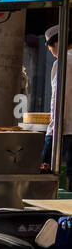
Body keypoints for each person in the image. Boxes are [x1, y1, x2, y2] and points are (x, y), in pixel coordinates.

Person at [43, 26, 72, 171]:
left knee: (46, 171)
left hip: (65, 129)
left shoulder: (63, 61)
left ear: (58, 43)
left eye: (51, 49)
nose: (53, 54)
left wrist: (53, 127)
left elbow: (59, 97)